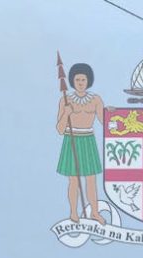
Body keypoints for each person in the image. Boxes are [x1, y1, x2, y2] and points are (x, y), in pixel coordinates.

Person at [55, 63, 106, 224]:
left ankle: (95, 212)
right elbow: (59, 129)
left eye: (83, 79)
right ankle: (73, 212)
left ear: (88, 80)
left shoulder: (96, 99)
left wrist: (111, 114)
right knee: (74, 180)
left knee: (91, 179)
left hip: (88, 140)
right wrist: (66, 114)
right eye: (77, 79)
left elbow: (104, 121)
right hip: (71, 140)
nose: (80, 82)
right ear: (72, 81)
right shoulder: (66, 100)